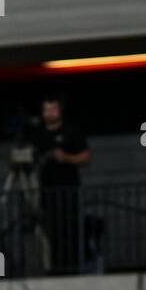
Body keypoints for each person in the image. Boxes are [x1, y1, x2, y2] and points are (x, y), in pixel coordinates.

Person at [33, 95, 90, 274]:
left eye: (53, 109)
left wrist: (65, 157)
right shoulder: (38, 135)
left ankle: (72, 267)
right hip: (47, 192)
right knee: (51, 232)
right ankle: (54, 268)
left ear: (60, 111)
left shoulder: (71, 131)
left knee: (70, 230)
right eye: (46, 110)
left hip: (69, 191)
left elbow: (86, 156)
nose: (50, 113)